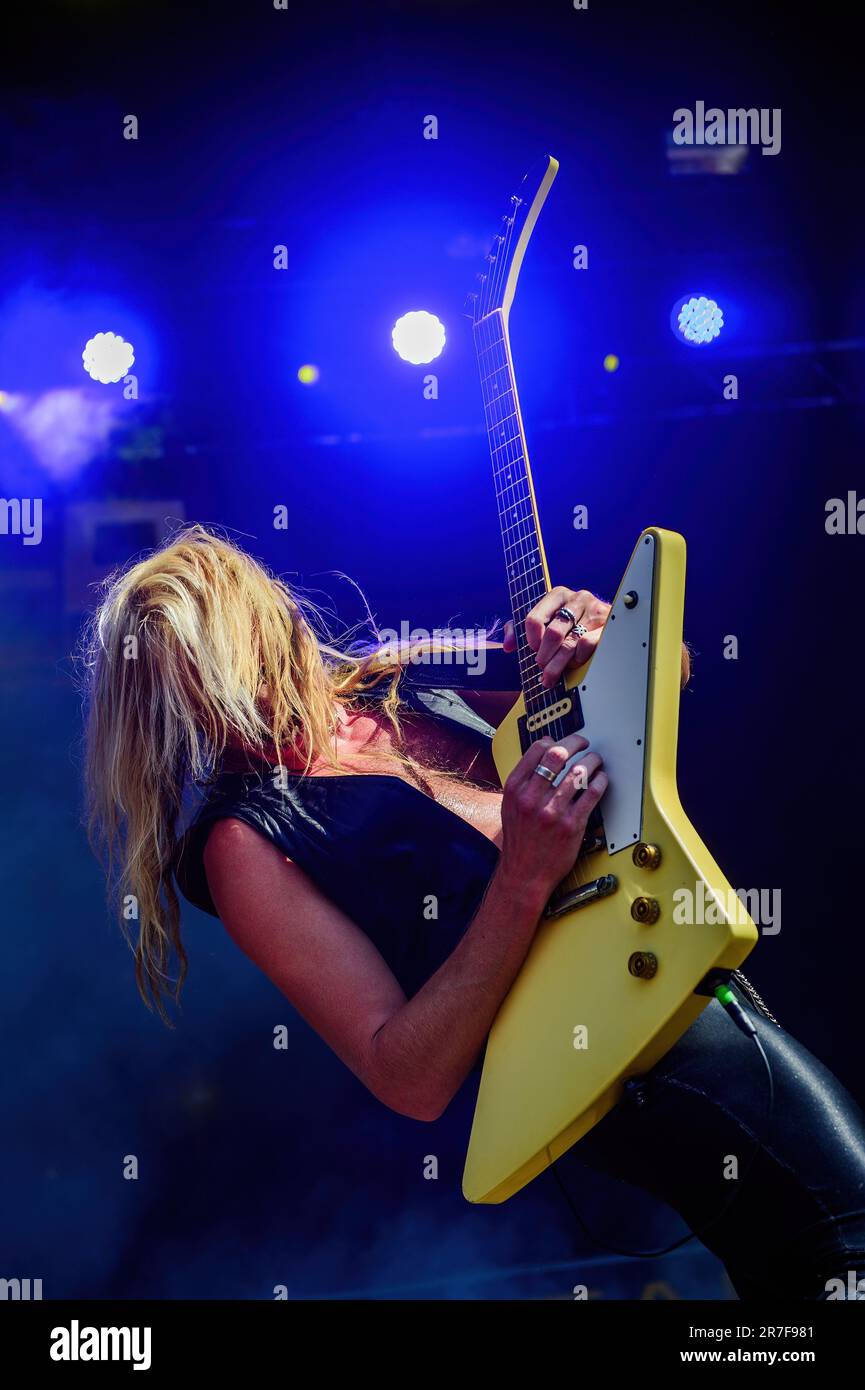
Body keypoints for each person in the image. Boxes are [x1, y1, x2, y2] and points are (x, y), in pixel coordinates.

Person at [83, 524, 865, 1300]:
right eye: (193, 694)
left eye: (231, 661)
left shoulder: (406, 677)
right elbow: (405, 1078)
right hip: (611, 1054)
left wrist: (600, 634)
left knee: (799, 1275)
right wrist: (521, 878)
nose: (235, 705)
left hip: (675, 963)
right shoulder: (245, 840)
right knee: (846, 1236)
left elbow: (654, 692)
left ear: (271, 616)